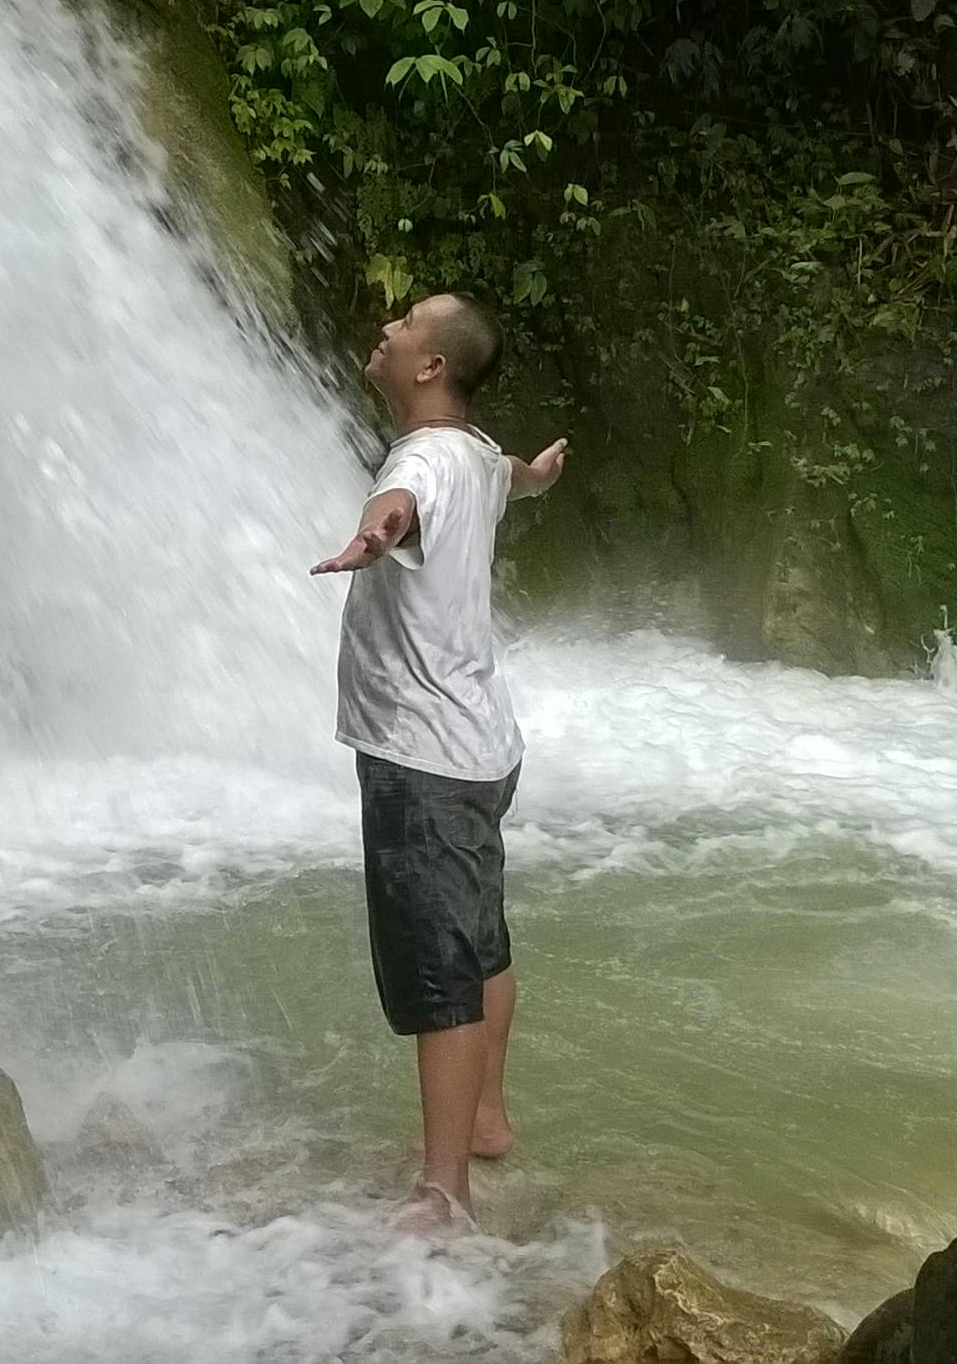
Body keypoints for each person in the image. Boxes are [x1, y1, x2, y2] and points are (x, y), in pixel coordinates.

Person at [310, 291, 567, 1233]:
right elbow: (511, 478)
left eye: (406, 323)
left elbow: (400, 506)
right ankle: (488, 1119)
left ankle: (444, 1190)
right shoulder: (478, 454)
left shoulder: (421, 460)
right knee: (481, 937)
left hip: (423, 759)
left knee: (440, 970)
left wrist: (376, 533)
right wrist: (539, 474)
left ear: (428, 368)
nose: (385, 325)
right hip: (483, 747)